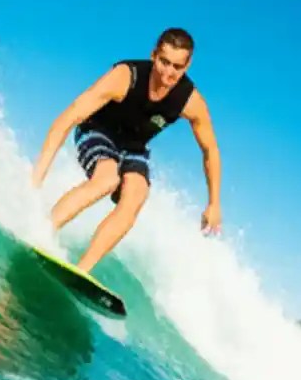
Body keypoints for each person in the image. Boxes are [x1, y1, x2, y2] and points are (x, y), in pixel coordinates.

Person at [30, 27, 222, 273]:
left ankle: (82, 270)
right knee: (107, 179)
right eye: (164, 62)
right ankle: (41, 229)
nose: (168, 73)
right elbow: (69, 116)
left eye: (177, 67)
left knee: (136, 195)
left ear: (187, 66)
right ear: (154, 55)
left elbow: (211, 150)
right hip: (97, 130)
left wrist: (213, 203)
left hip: (133, 146)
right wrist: (38, 175)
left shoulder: (190, 101)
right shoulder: (126, 77)